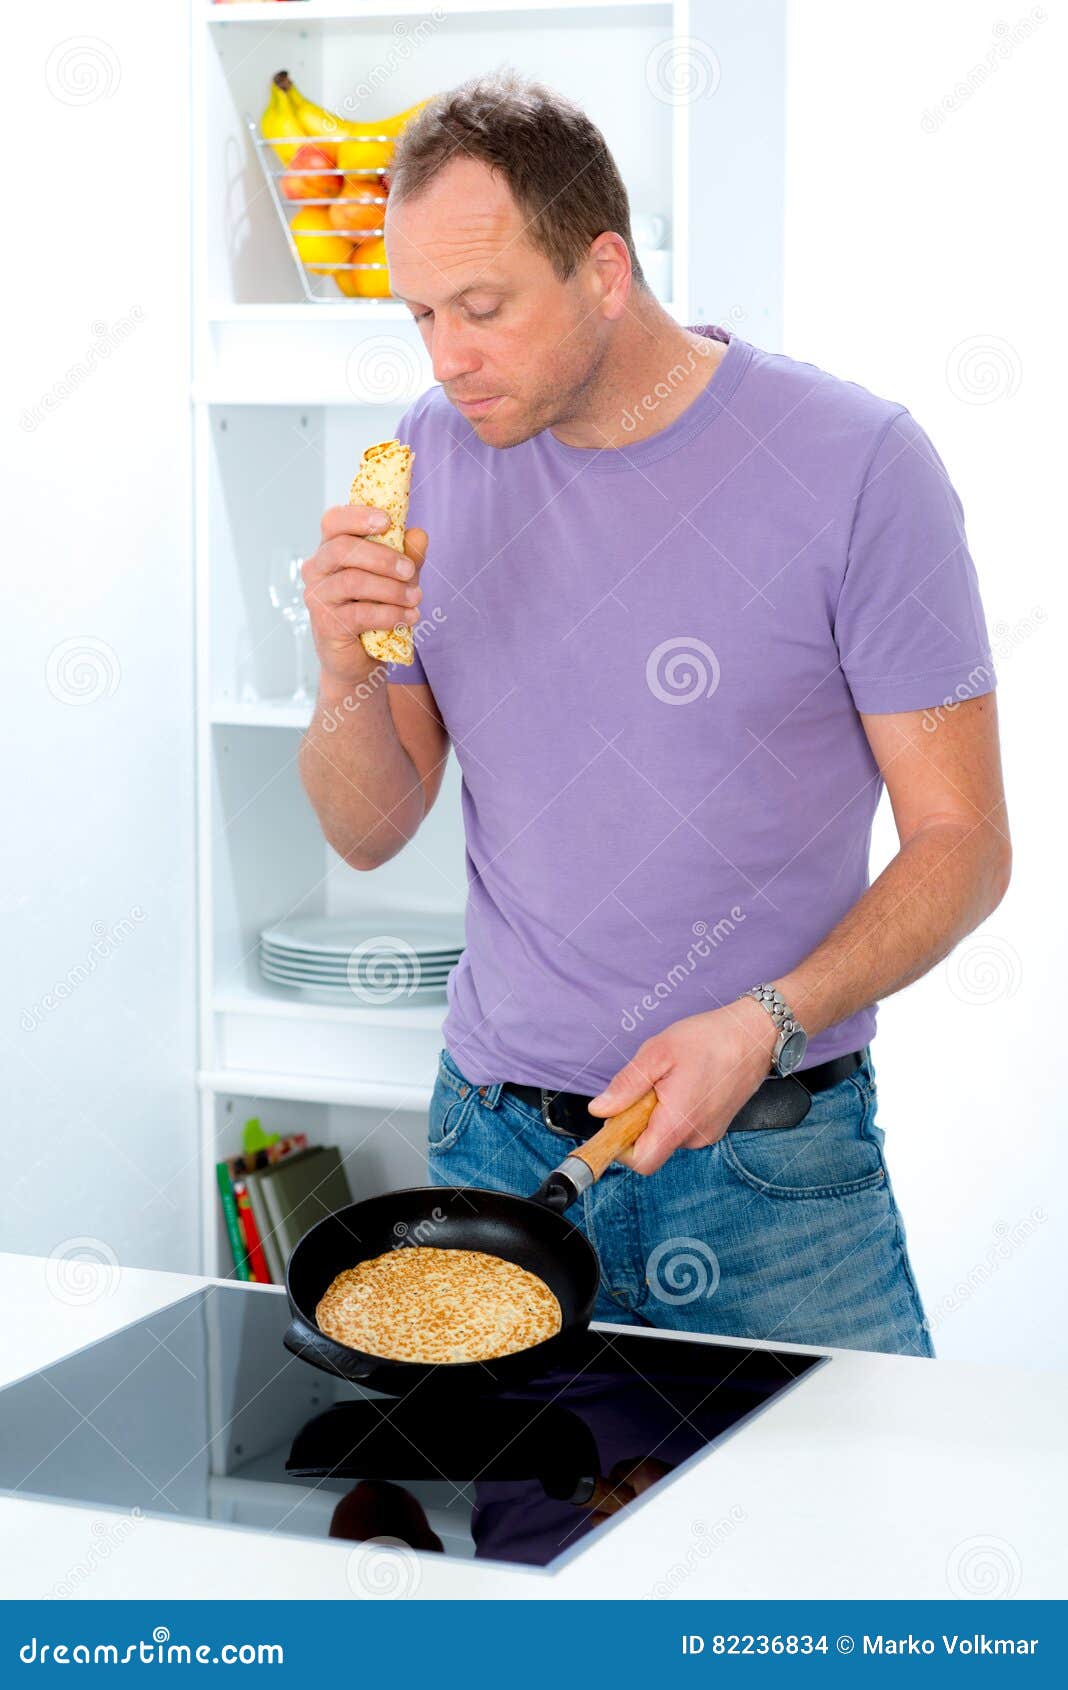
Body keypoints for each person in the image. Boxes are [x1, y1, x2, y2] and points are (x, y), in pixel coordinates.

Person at [298, 74, 1010, 1358]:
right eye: (421, 315)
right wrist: (340, 660)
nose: (447, 358)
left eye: (483, 308)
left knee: (848, 1495)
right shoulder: (429, 455)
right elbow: (368, 828)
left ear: (605, 270)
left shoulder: (858, 465)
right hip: (496, 1148)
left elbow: (965, 842)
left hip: (771, 1164)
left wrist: (765, 1020)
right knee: (509, 1496)